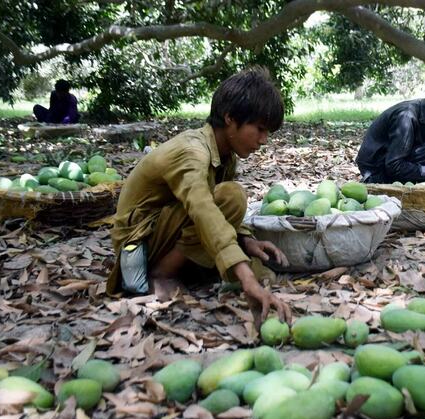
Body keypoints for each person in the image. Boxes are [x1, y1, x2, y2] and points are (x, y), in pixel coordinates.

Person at [107, 67, 291, 326]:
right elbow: (204, 209)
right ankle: (161, 273)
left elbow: (214, 209)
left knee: (233, 203)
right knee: (232, 196)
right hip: (140, 240)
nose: (263, 140)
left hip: (169, 227)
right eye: (259, 129)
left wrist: (246, 240)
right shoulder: (193, 152)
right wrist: (246, 278)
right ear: (230, 119)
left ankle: (186, 267)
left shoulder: (224, 154)